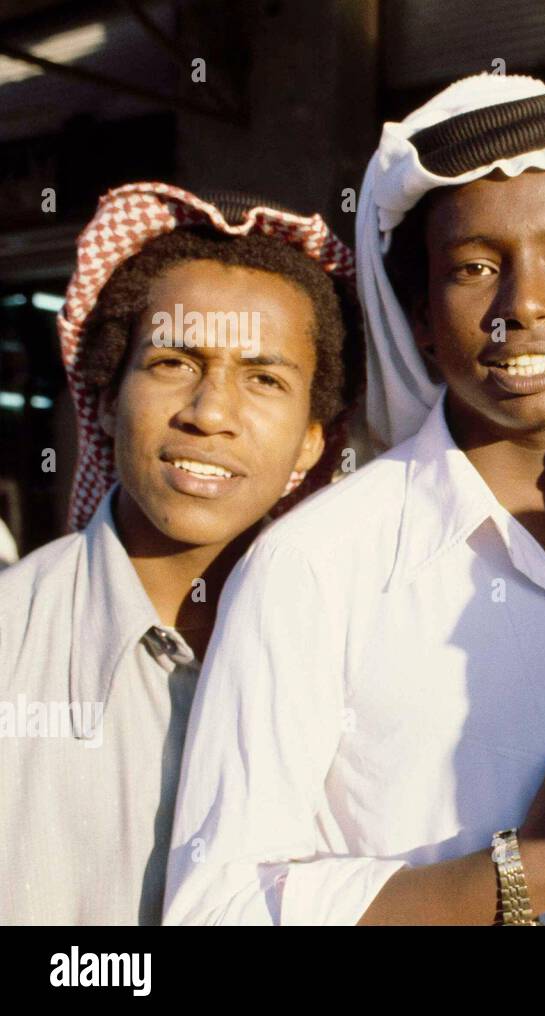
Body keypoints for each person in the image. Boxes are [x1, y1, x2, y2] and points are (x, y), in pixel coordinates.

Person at [164, 74, 545, 926]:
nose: (523, 306)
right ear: (416, 312)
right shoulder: (318, 564)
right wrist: (533, 876)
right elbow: (216, 905)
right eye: (475, 267)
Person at [0, 183, 362, 924]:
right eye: (173, 363)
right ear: (103, 396)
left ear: (312, 440)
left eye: (263, 378)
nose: (210, 414)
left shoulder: (363, 647)